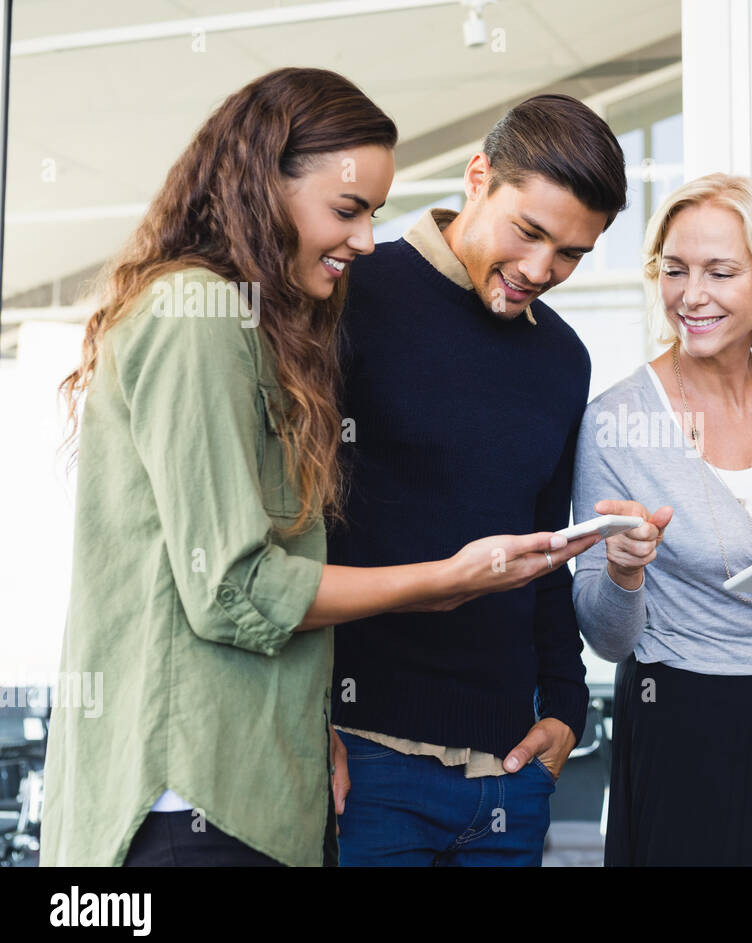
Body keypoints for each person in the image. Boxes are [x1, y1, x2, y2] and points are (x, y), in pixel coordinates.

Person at [41, 68, 595, 868]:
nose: (366, 239)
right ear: (260, 185)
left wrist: (563, 700)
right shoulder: (197, 317)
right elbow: (235, 586)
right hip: (190, 785)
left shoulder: (266, 324)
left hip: (261, 777)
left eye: (370, 212)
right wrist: (444, 580)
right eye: (347, 209)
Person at [326, 93, 628, 866]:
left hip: (510, 771)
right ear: (478, 176)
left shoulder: (563, 359)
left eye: (570, 255)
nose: (539, 270)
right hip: (362, 764)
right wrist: (300, 723)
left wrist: (567, 707)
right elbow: (290, 536)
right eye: (529, 232)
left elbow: (547, 553)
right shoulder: (351, 297)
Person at [571, 172, 752, 866]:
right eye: (674, 270)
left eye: (720, 272)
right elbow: (607, 637)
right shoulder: (617, 420)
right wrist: (623, 571)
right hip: (675, 711)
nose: (691, 295)